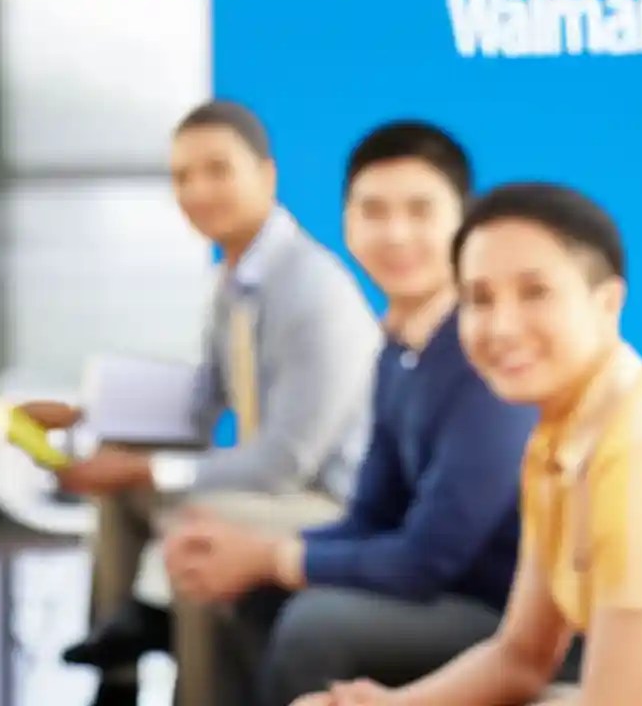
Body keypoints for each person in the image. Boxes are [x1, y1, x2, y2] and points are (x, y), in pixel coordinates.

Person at [298, 182, 642, 706]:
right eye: (478, 299)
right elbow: (520, 658)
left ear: (607, 301)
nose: (501, 327)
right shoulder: (559, 437)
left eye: (535, 293)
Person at [162, 121, 539, 706]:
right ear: (347, 222)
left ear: (463, 224)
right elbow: (369, 515)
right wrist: (252, 555)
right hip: (436, 587)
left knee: (316, 626)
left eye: (420, 211)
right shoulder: (397, 349)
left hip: (507, 615)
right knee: (236, 581)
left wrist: (272, 555)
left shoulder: (485, 353)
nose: (395, 233)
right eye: (373, 211)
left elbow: (429, 557)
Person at [20, 100, 379, 706]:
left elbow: (283, 462)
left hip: (332, 500)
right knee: (123, 480)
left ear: (266, 176)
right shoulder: (235, 279)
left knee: (199, 522)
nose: (197, 191)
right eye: (183, 176)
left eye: (217, 170)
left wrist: (145, 468)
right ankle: (119, 669)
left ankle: (184, 672)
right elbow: (199, 402)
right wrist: (89, 414)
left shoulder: (312, 288)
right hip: (280, 485)